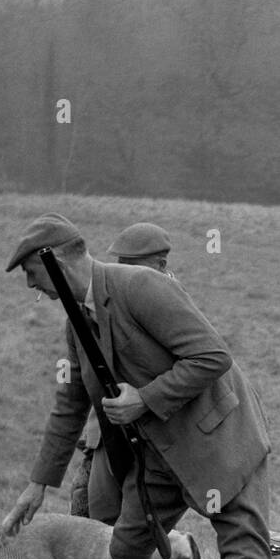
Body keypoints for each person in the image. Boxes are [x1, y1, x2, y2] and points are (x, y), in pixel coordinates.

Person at [2, 213, 280, 559]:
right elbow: (71, 403)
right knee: (127, 547)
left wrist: (145, 398)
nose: (32, 287)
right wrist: (38, 483)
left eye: (32, 273)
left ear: (56, 259)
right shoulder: (78, 321)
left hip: (219, 444)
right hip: (159, 456)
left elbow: (212, 356)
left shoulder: (141, 288)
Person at [71, 223, 175, 520]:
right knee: (88, 520)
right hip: (104, 437)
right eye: (119, 264)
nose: (120, 273)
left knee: (136, 536)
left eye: (131, 266)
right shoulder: (105, 298)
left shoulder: (171, 304)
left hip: (153, 441)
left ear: (161, 265)